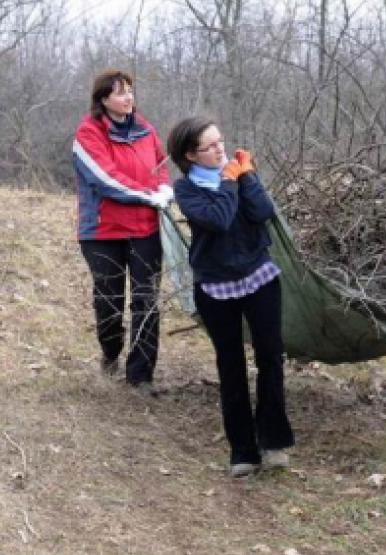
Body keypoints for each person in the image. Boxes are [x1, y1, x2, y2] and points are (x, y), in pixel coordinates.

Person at [167, 116, 294, 478]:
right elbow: (220, 219)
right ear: (191, 155)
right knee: (231, 365)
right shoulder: (187, 190)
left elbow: (264, 213)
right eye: (211, 146)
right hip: (215, 286)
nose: (221, 149)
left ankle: (273, 441)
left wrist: (247, 176)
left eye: (221, 141)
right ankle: (243, 450)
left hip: (260, 276)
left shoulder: (237, 174)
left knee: (271, 357)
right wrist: (229, 181)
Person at [73, 69, 173, 396]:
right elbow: (105, 179)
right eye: (119, 92)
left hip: (145, 229)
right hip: (103, 232)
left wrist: (164, 190)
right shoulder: (88, 134)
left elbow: (161, 168)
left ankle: (141, 376)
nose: (128, 97)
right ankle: (110, 353)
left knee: (146, 301)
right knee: (109, 301)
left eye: (130, 91)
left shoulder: (145, 129)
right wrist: (148, 195)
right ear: (103, 99)